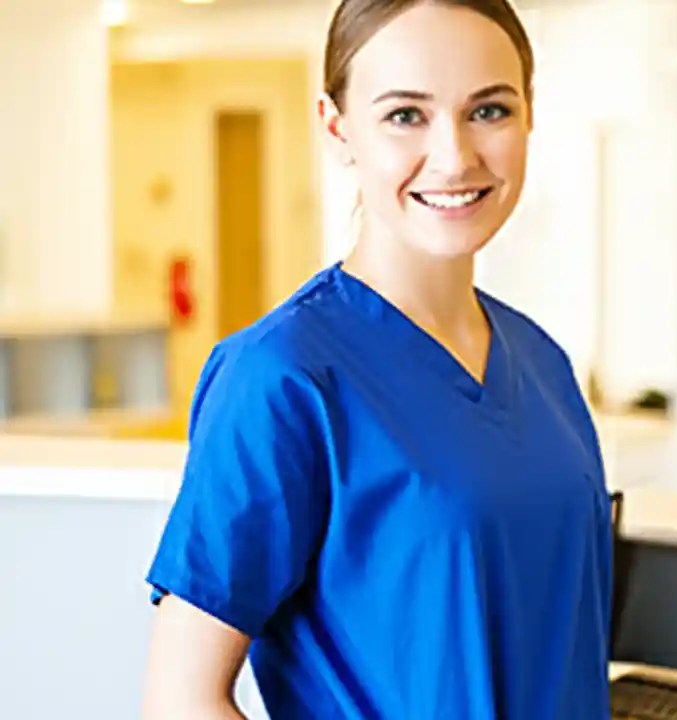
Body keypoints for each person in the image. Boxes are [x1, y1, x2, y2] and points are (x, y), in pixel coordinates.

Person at [139, 1, 613, 717]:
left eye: (489, 110)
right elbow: (180, 701)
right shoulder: (284, 377)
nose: (455, 156)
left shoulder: (542, 363)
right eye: (405, 115)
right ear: (338, 128)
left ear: (529, 116)